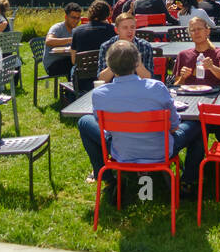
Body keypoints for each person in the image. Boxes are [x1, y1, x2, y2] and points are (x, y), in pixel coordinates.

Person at [75, 39, 205, 193]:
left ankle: (107, 179)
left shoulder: (99, 94)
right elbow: (174, 127)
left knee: (84, 122)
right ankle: (188, 181)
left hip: (121, 152)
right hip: (160, 151)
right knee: (198, 123)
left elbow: (104, 128)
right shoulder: (156, 87)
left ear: (110, 65)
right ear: (137, 62)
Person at [97, 11, 157, 82]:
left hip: (137, 87)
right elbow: (101, 79)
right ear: (117, 30)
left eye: (132, 27)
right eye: (125, 28)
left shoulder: (144, 46)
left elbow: (148, 79)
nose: (130, 31)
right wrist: (114, 61)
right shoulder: (107, 46)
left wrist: (137, 61)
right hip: (115, 88)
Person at [44, 2, 83, 81]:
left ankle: (77, 90)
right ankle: (73, 91)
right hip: (53, 64)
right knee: (75, 65)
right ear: (66, 17)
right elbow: (48, 41)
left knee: (82, 63)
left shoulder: (76, 30)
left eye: (78, 18)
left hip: (67, 59)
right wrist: (71, 40)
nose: (76, 21)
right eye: (73, 18)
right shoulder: (57, 28)